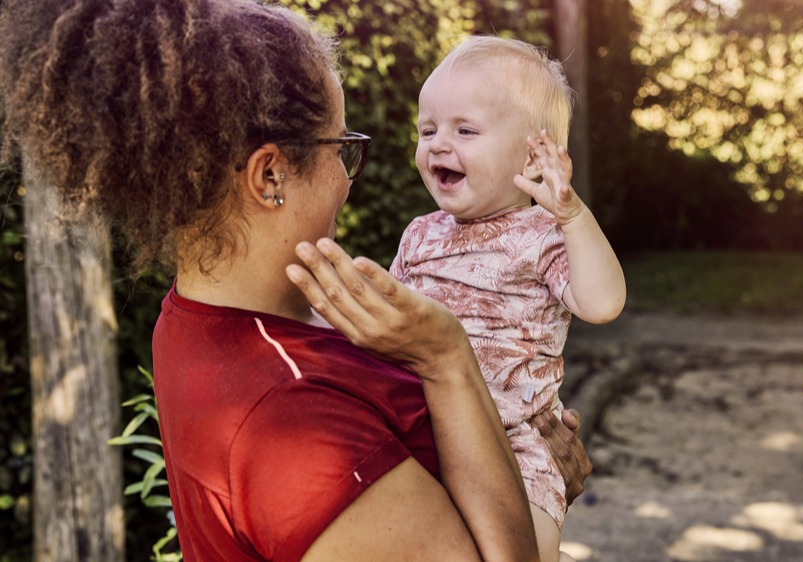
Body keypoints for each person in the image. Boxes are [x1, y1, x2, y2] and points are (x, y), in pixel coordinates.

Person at [0, 1, 591, 561]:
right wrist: (449, 360)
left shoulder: (210, 315)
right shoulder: (293, 424)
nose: (347, 179)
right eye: (342, 148)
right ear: (270, 174)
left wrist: (534, 469)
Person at [390, 36, 626, 562]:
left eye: (465, 130)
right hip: (423, 424)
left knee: (526, 553)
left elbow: (603, 302)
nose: (438, 144)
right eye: (427, 130)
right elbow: (388, 324)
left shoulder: (542, 234)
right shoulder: (421, 235)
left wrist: (572, 217)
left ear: (531, 154)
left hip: (517, 442)